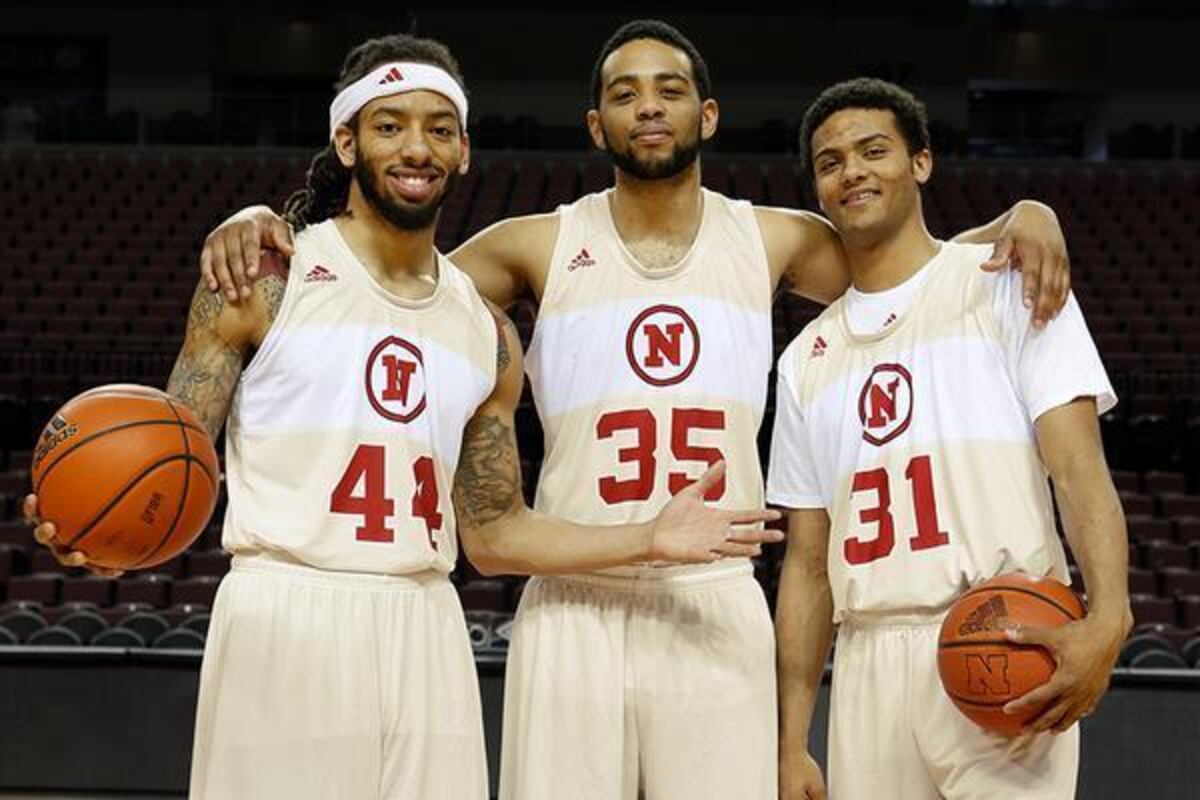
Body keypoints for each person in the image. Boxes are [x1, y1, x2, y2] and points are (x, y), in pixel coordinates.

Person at [194, 20, 1075, 800]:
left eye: (670, 90)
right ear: (596, 125)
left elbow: (905, 276)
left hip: (712, 596)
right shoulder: (534, 246)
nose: (648, 107)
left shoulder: (772, 238)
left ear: (708, 114)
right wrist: (261, 218)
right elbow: (381, 279)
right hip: (574, 600)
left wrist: (1015, 219)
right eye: (624, 93)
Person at [24, 33, 783, 800]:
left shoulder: (485, 333)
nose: (416, 148)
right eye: (389, 127)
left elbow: (493, 535)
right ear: (346, 142)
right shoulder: (261, 282)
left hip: (427, 620)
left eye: (438, 130)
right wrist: (103, 534)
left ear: (463, 154)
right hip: (287, 608)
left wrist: (646, 537)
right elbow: (172, 451)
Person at [767, 77, 1131, 800]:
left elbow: (1078, 469)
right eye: (831, 162)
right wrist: (790, 737)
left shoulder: (1006, 283)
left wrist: (1110, 614)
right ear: (818, 187)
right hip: (868, 659)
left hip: (1004, 634)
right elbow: (807, 564)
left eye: (875, 150)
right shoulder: (804, 357)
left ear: (922, 163)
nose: (853, 171)